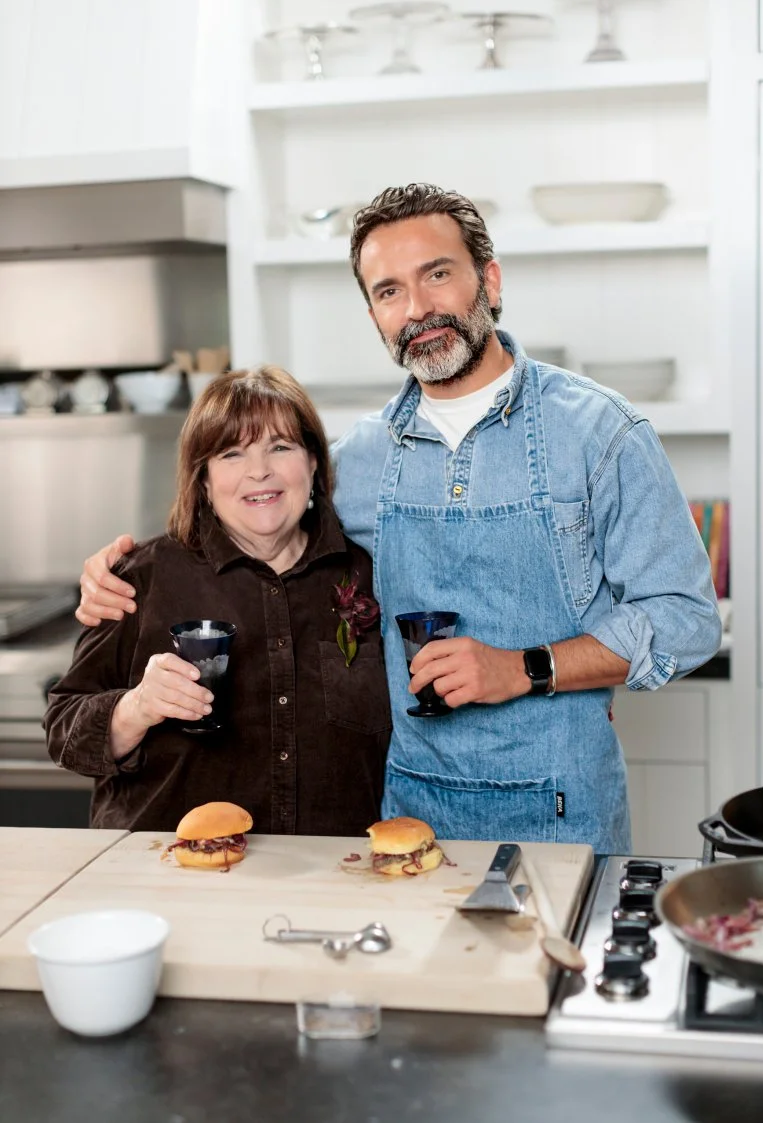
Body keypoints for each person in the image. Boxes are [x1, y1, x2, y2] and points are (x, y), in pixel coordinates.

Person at [76, 184, 721, 853]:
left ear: (489, 281)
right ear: (375, 315)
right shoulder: (355, 460)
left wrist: (528, 667)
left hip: (560, 811)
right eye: (388, 291)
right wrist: (122, 571)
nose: (416, 309)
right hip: (400, 813)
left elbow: (685, 619)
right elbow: (254, 522)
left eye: (436, 274)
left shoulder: (600, 432)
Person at [46, 366, 391, 833]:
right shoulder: (139, 579)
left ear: (313, 461)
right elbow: (64, 729)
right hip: (167, 874)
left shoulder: (368, 573)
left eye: (281, 446)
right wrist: (138, 706)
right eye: (231, 453)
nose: (259, 471)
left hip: (333, 874)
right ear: (203, 480)